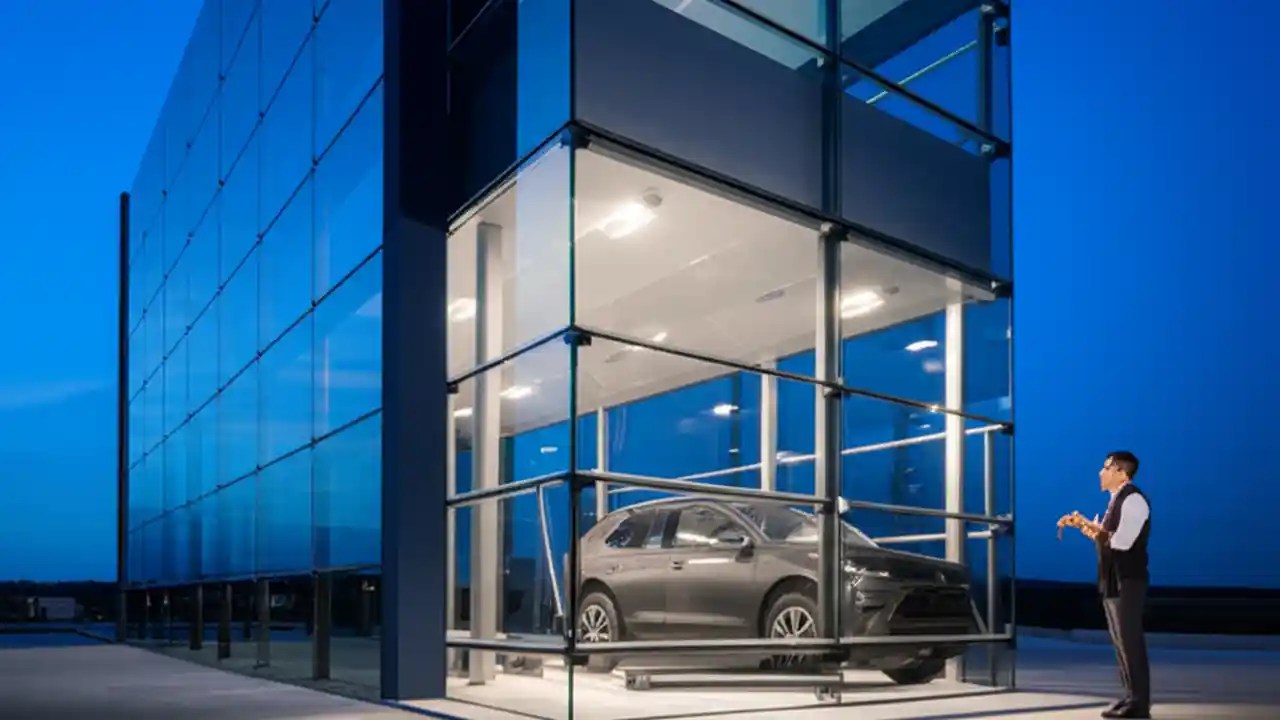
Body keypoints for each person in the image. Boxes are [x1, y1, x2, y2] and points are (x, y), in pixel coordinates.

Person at [1059, 451, 1152, 719]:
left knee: (1130, 643)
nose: (1102, 472)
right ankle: (1130, 697)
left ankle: (1139, 704)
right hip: (1112, 580)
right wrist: (1090, 529)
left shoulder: (1133, 499)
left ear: (1122, 472)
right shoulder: (1115, 500)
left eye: (1107, 467)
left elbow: (1122, 542)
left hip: (1128, 580)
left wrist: (1090, 526)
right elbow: (1109, 539)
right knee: (1121, 643)